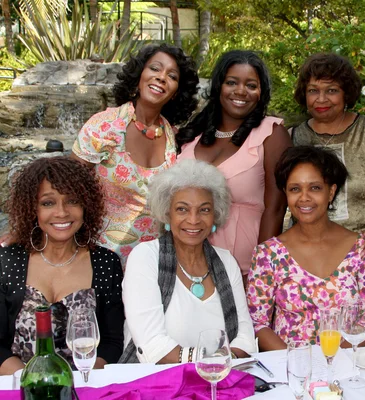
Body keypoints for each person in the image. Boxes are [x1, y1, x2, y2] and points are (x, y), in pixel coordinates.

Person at [291, 53, 365, 308]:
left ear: (346, 93)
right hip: (305, 258)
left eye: (331, 90)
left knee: (364, 339)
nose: (321, 99)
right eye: (313, 90)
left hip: (364, 257)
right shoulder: (293, 137)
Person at [71, 43, 200, 264]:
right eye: (154, 69)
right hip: (100, 260)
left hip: (153, 263)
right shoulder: (106, 125)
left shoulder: (173, 138)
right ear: (139, 75)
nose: (161, 77)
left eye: (172, 76)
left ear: (176, 92)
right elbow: (65, 184)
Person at [247, 146, 365, 351]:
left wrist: (332, 362)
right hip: (289, 370)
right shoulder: (268, 254)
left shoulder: (362, 250)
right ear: (285, 193)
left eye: (315, 188)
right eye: (295, 189)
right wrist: (297, 363)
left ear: (331, 192)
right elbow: (258, 324)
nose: (304, 197)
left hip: (348, 367)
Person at [120, 160, 256, 363]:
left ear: (215, 215)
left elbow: (245, 335)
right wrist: (210, 361)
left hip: (218, 381)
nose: (193, 220)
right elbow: (152, 344)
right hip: (159, 385)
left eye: (204, 210)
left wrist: (221, 363)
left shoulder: (227, 262)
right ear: (167, 214)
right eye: (182, 209)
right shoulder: (145, 257)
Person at [0, 157, 124, 375]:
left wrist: (77, 382)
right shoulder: (8, 261)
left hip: (84, 385)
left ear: (86, 205)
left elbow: (112, 343)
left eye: (72, 201)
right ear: (32, 208)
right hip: (19, 384)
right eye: (48, 203)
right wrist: (32, 381)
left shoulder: (106, 263)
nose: (62, 212)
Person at [177, 50, 291, 279]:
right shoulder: (192, 135)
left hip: (244, 266)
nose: (241, 91)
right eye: (232, 82)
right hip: (186, 262)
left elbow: (277, 208)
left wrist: (262, 271)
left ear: (261, 93)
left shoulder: (271, 134)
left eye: (251, 85)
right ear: (219, 85)